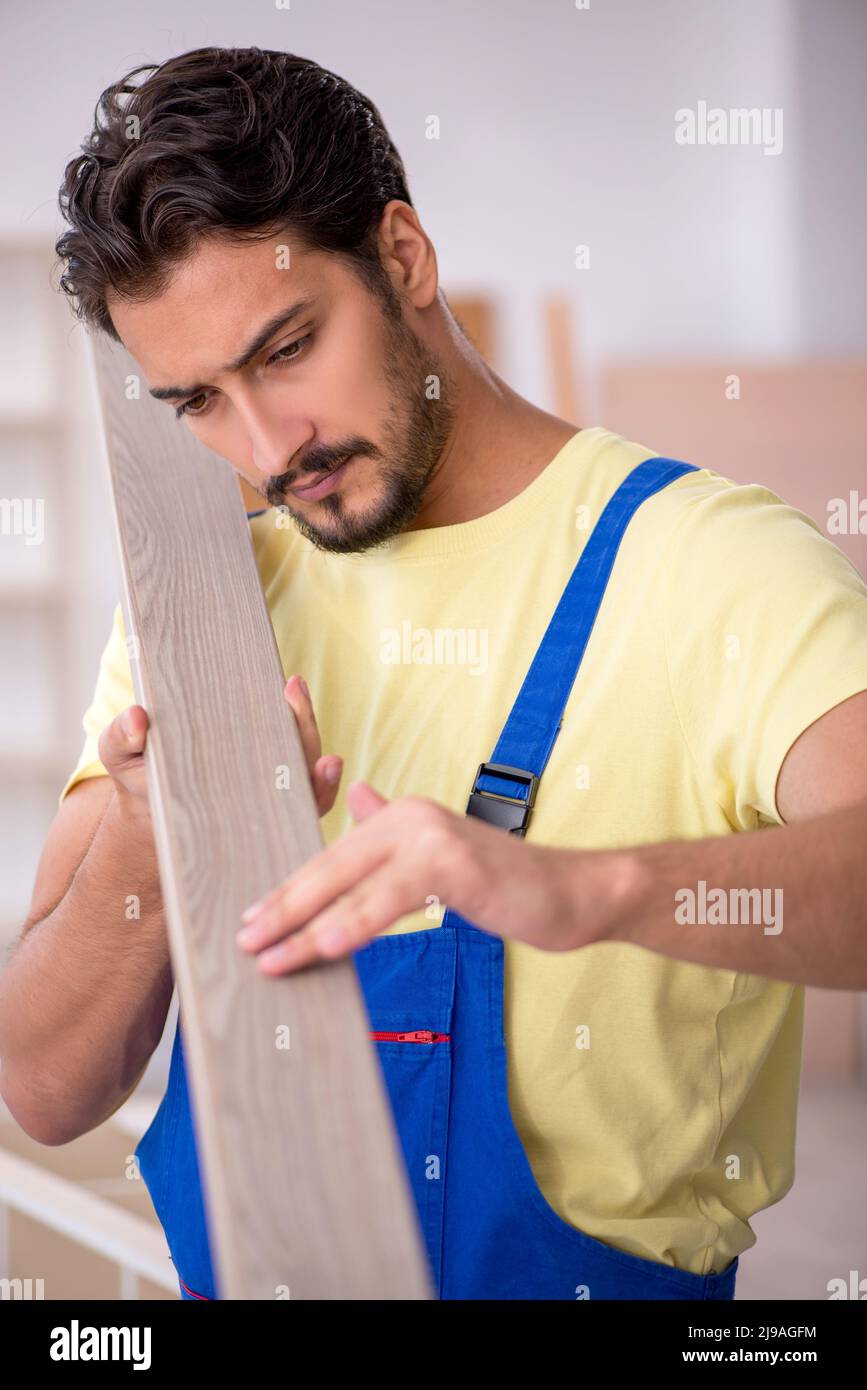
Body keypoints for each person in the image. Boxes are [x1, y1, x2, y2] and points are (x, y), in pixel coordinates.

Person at [2, 46, 866, 1301]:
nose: (265, 446)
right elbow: (42, 1087)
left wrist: (583, 889)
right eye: (198, 401)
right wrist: (149, 831)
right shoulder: (205, 611)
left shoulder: (706, 565)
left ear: (401, 255)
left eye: (288, 348)